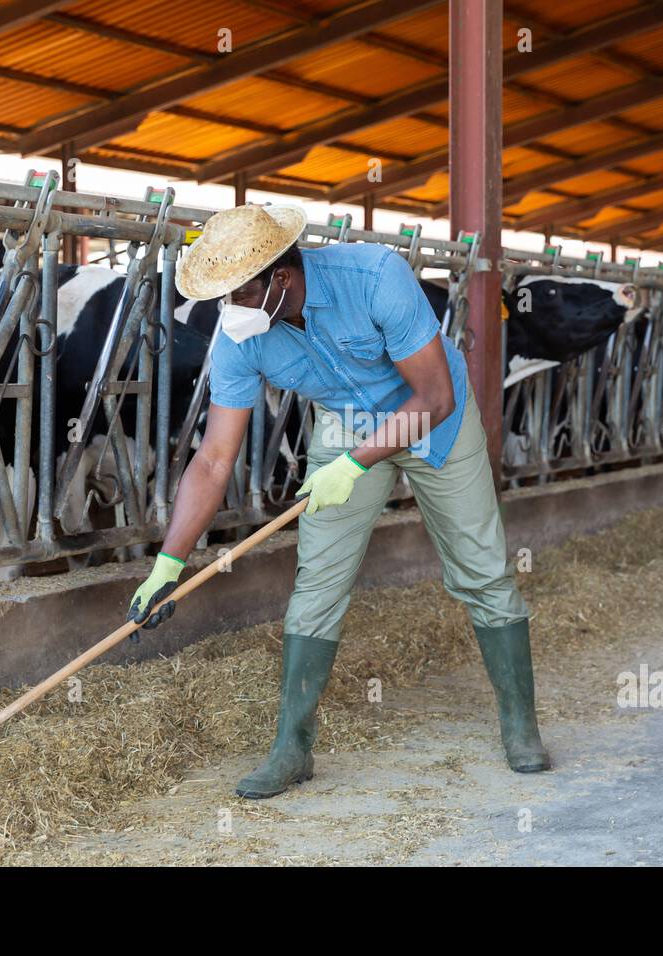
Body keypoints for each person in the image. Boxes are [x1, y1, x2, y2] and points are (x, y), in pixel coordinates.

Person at [127, 204, 550, 799]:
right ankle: (292, 747)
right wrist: (168, 564)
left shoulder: (375, 277)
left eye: (238, 293)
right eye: (222, 297)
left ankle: (520, 724)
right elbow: (215, 457)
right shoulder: (239, 335)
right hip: (345, 425)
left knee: (482, 569)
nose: (229, 309)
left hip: (436, 420)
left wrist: (353, 466)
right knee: (317, 583)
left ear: (279, 277)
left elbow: (433, 396)